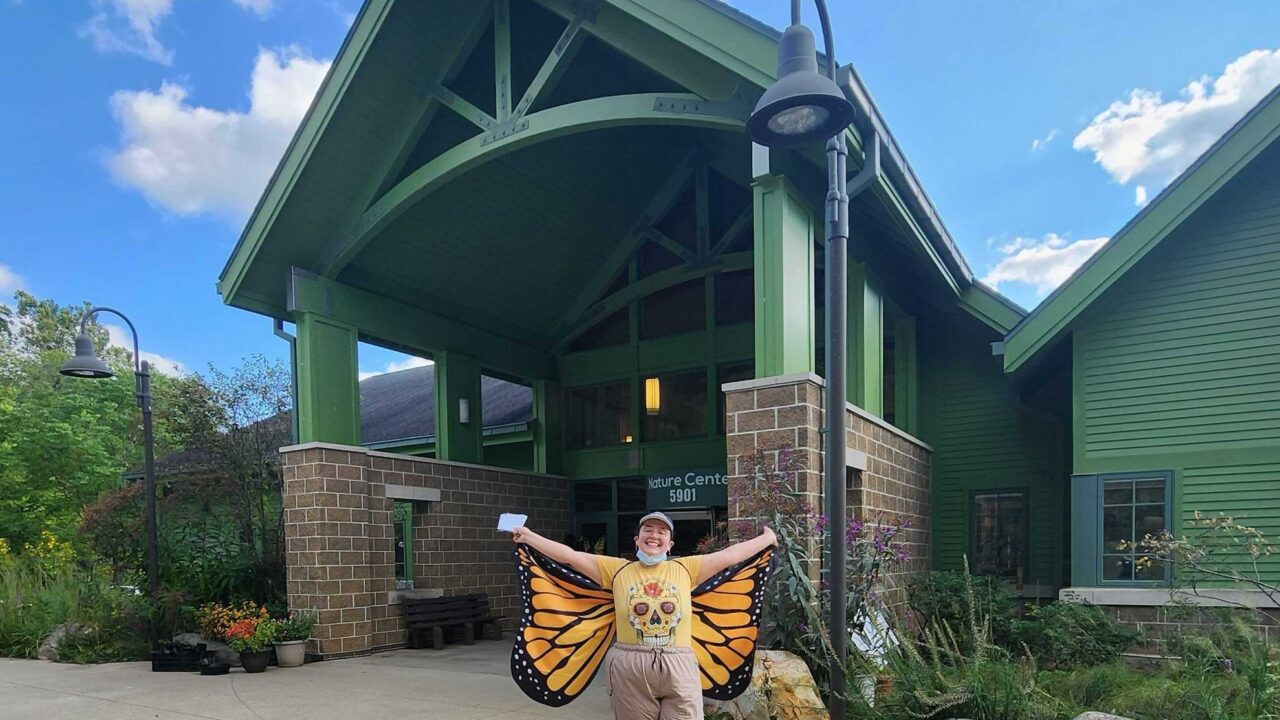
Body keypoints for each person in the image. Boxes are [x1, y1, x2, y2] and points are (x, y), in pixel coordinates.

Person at [512, 512, 777, 720]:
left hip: (679, 664)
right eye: (647, 530)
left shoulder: (686, 569)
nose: (654, 535)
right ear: (636, 539)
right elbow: (570, 557)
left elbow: (728, 556)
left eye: (662, 531)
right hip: (630, 663)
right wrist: (528, 537)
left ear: (670, 543)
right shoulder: (615, 570)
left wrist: (766, 539)